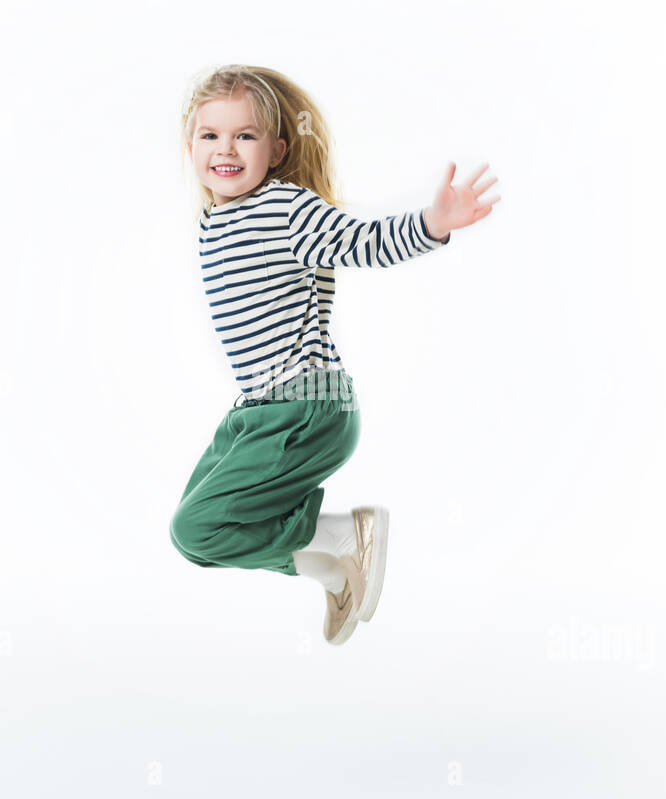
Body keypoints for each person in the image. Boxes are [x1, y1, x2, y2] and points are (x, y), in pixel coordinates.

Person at [168, 64, 499, 646]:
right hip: (256, 411)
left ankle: (344, 538)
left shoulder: (285, 207)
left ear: (275, 150)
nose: (226, 149)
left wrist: (432, 224)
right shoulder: (212, 222)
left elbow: (361, 242)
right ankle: (332, 566)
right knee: (194, 530)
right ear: (190, 146)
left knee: (201, 524)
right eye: (211, 135)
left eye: (244, 135)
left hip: (304, 405)